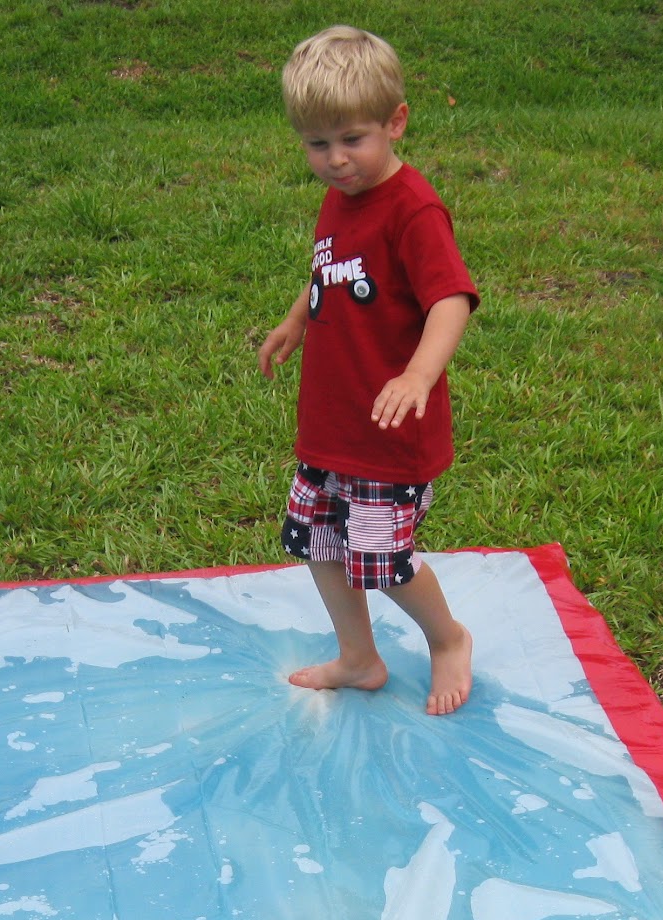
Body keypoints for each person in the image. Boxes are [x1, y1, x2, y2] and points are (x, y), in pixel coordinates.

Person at [258, 25, 478, 715]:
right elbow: (331, 265)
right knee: (316, 538)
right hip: (333, 423)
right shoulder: (340, 197)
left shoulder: (413, 209)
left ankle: (447, 637)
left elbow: (450, 299)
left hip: (388, 435)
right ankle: (358, 657)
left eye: (352, 139)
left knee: (380, 558)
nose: (335, 160)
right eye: (317, 144)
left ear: (396, 122)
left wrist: (417, 376)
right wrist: (298, 317)